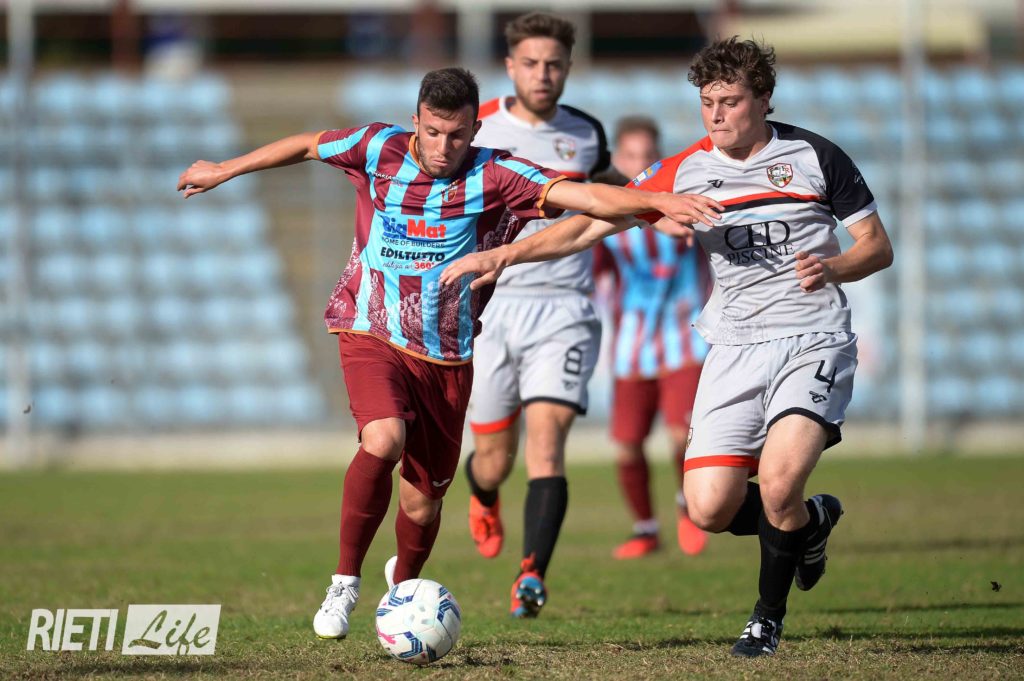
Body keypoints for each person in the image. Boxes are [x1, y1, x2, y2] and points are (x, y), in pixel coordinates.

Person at [177, 67, 720, 641]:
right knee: (383, 439)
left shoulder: (497, 173)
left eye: (457, 134)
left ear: (473, 129)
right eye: (433, 132)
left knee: (422, 505)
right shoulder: (377, 146)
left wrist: (656, 200)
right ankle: (344, 582)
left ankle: (403, 588)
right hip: (372, 329)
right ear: (415, 121)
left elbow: (582, 194)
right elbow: (308, 144)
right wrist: (226, 169)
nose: (443, 146)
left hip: (447, 356)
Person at [440, 37, 893, 657]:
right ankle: (811, 523)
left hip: (812, 337)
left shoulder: (815, 156)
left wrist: (834, 267)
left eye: (730, 102)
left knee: (777, 483)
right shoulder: (683, 171)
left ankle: (765, 621)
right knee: (708, 508)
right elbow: (589, 226)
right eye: (707, 103)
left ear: (764, 98)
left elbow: (877, 246)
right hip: (734, 346)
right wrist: (505, 255)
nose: (716, 115)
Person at [463, 11, 610, 619]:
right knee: (495, 460)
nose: (542, 74)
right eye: (531, 63)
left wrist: (658, 210)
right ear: (510, 67)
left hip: (564, 309)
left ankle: (532, 576)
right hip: (493, 306)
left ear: (568, 68)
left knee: (547, 446)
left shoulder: (587, 133)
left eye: (553, 64)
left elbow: (604, 192)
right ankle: (483, 493)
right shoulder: (476, 128)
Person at [592, 116, 710, 560]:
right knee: (627, 445)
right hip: (632, 348)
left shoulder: (685, 207)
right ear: (618, 160)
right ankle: (645, 529)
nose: (638, 163)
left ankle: (687, 506)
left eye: (647, 155)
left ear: (659, 158)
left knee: (682, 436)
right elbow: (592, 273)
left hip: (686, 341)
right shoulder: (608, 219)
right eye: (630, 156)